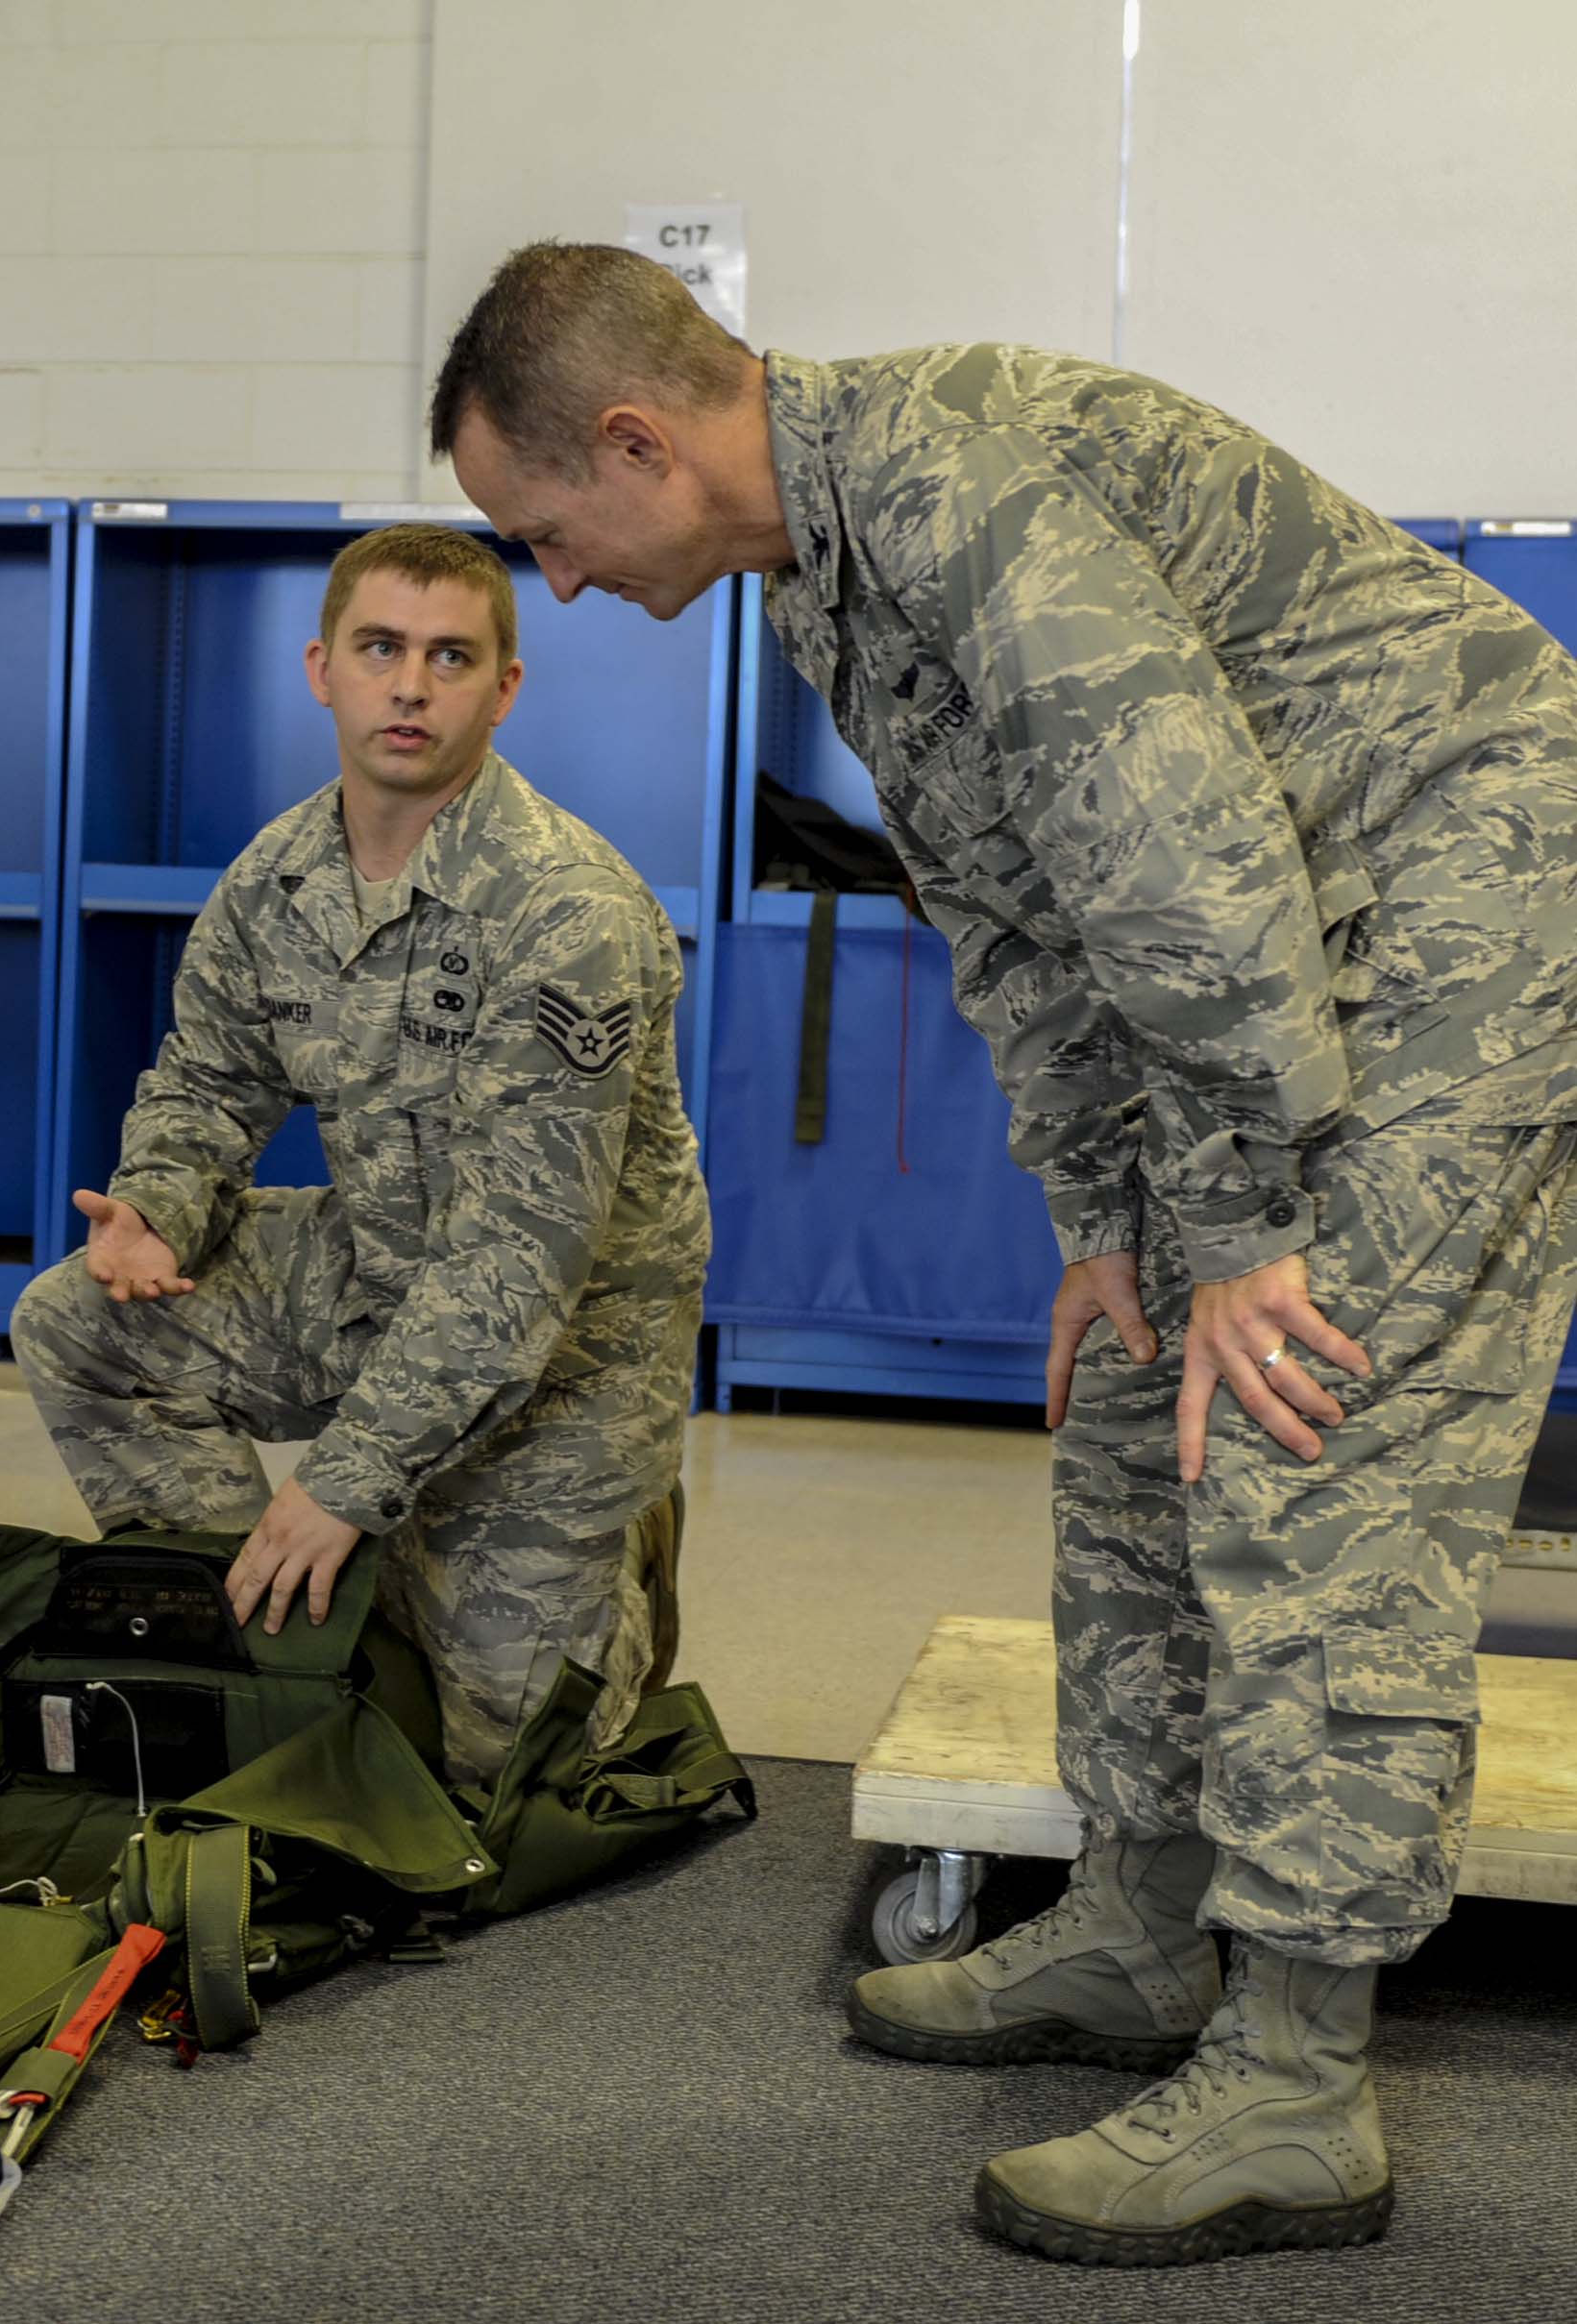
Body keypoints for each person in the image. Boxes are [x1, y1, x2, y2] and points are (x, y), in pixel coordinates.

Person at [431, 242, 1577, 2263]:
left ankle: (1300, 2081)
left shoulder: (958, 491)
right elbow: (1023, 921)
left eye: (548, 535)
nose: (565, 585)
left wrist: (1232, 1219)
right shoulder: (828, 574)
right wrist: (1114, 1224)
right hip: (1292, 934)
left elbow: (1180, 856)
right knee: (1148, 1376)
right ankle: (1141, 1931)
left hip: (1468, 894)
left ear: (634, 440)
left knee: (1314, 1418)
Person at [11, 521, 710, 1791]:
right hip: (380, 1278)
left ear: (503, 690)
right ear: (320, 666)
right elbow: (207, 1079)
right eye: (380, 648)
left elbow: (515, 1274)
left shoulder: (567, 914)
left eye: (450, 657)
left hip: (563, 1358)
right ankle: (272, 1623)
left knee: (500, 1769)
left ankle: (609, 1542)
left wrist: (336, 1485)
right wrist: (160, 1204)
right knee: (74, 1322)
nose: (409, 684)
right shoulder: (273, 880)